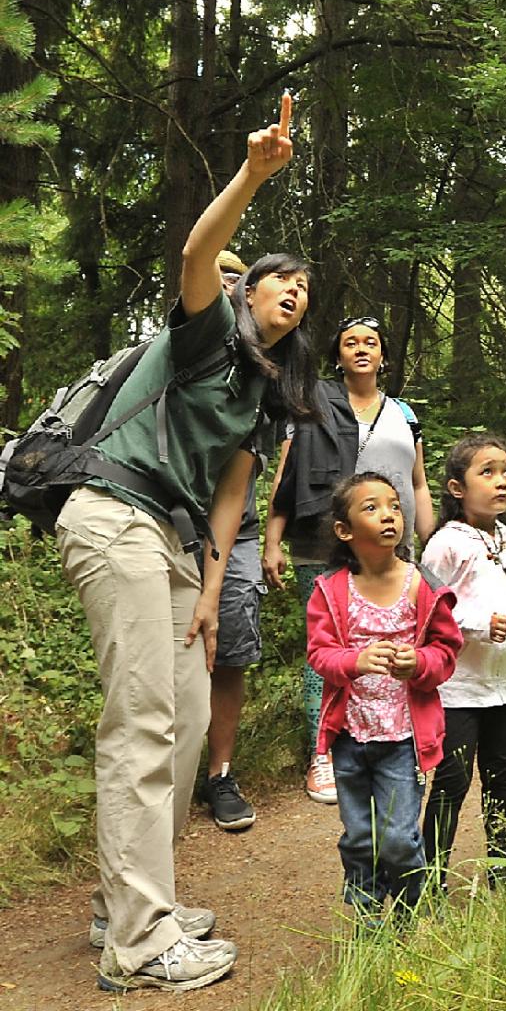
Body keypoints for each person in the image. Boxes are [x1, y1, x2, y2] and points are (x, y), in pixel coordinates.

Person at [58, 97, 320, 992]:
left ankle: (129, 902)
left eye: (305, 290)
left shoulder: (261, 393)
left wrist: (210, 597)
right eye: (281, 280)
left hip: (173, 546)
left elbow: (230, 502)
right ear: (249, 292)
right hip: (113, 515)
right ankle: (138, 943)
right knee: (141, 722)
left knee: (191, 723)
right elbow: (196, 254)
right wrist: (253, 173)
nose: (294, 292)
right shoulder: (206, 330)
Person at [264, 316, 435, 803]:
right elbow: (288, 473)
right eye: (351, 343)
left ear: (383, 355)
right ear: (337, 356)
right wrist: (273, 540)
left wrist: (432, 541)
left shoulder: (404, 413)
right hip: (323, 543)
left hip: (393, 550)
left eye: (371, 343)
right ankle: (324, 754)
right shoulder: (313, 405)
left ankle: (391, 746)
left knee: (399, 644)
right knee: (329, 648)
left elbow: (418, 483)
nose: (361, 349)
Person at [306, 472, 462, 927]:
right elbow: (319, 654)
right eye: (371, 507)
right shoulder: (331, 590)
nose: (389, 514)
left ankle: (410, 910)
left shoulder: (422, 585)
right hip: (349, 737)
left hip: (403, 739)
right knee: (358, 837)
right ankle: (369, 920)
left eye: (394, 505)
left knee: (397, 837)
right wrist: (354, 661)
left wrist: (420, 663)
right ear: (344, 530)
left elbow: (446, 651)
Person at [421, 435, 506, 889]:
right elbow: (429, 609)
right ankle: (430, 877)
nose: (500, 481)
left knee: (500, 775)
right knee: (452, 781)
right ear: (457, 488)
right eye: (486, 472)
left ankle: (501, 868)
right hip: (458, 689)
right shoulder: (445, 544)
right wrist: (478, 624)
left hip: (505, 684)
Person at [198, 250, 271, 831]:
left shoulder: (261, 370)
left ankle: (220, 773)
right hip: (170, 525)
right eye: (218, 277)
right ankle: (169, 772)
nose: (227, 286)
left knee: (230, 655)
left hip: (239, 533)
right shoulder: (187, 351)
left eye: (236, 278)